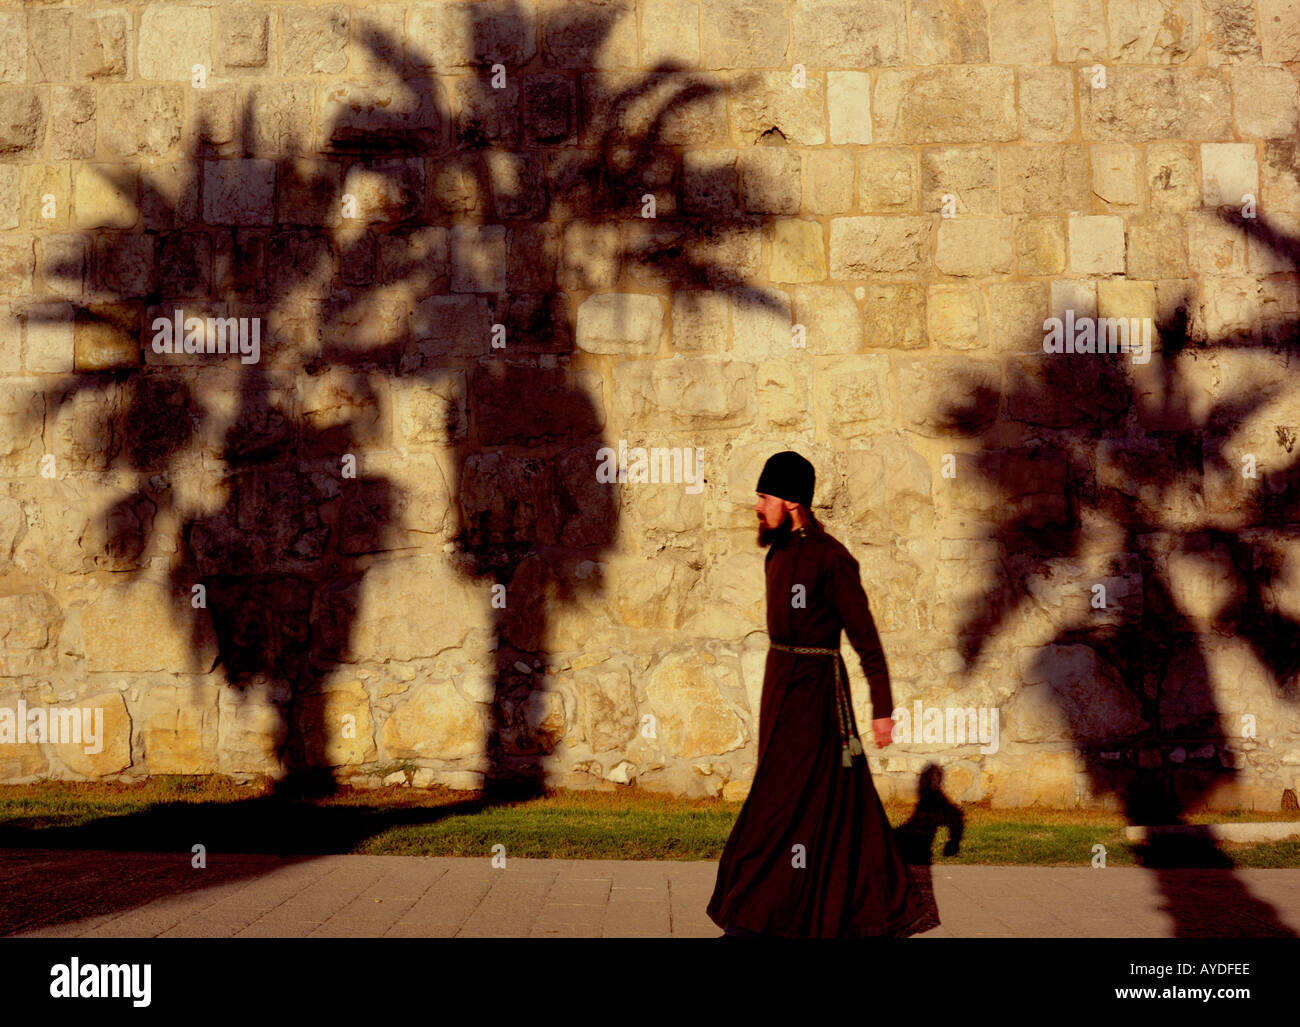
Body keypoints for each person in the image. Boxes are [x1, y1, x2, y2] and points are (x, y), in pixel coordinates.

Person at [707, 450, 929, 938]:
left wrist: (883, 710)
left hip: (818, 695)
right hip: (779, 685)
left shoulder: (832, 558)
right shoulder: (778, 553)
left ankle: (754, 917)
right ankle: (837, 907)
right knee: (824, 802)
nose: (757, 506)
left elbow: (865, 638)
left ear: (790, 501)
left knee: (784, 802)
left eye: (764, 497)